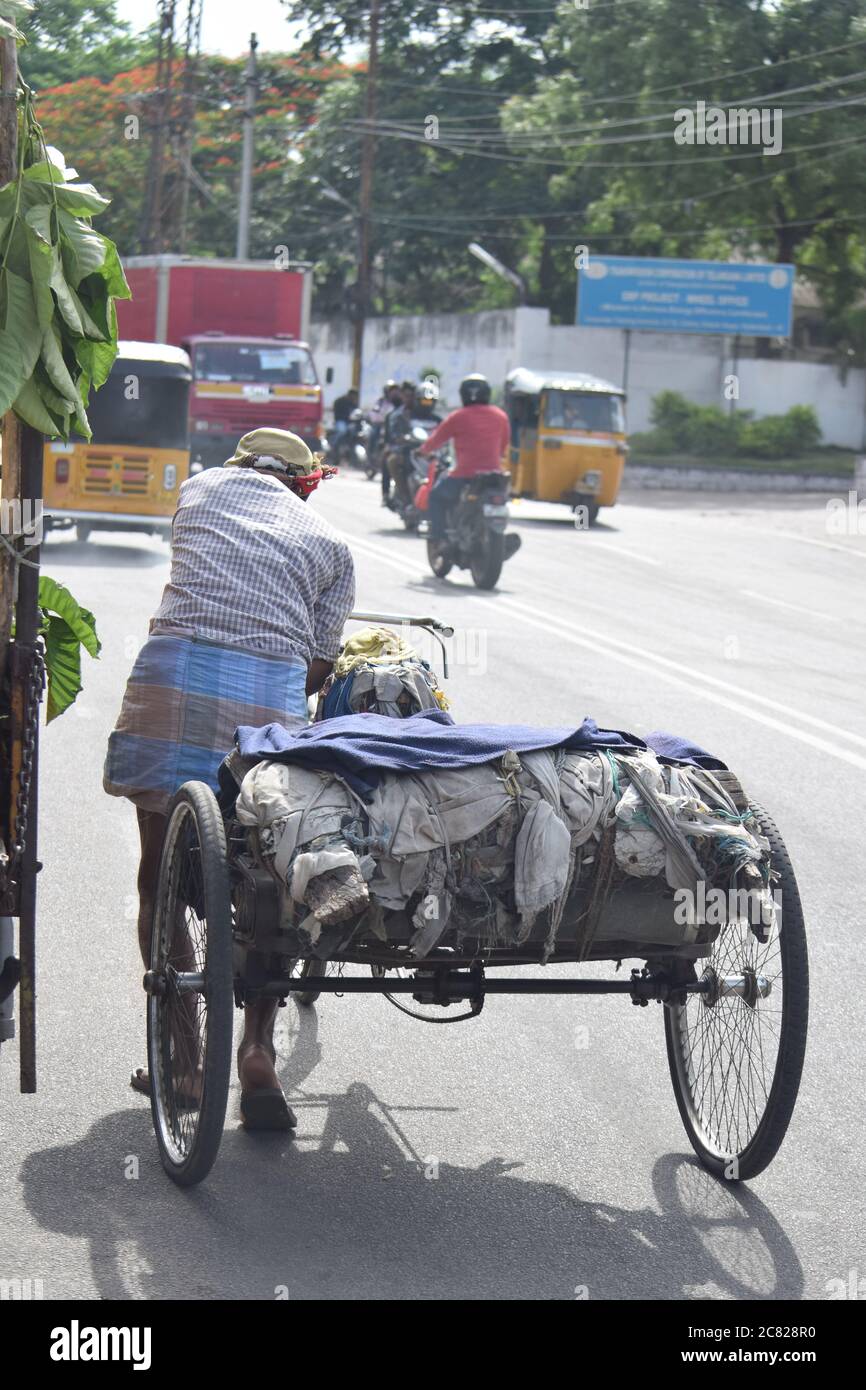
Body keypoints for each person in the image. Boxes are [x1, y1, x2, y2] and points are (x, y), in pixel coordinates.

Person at [104, 428, 355, 1132]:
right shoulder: (331, 544)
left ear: (242, 467)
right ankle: (256, 1054)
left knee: (158, 876)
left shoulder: (198, 490)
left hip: (172, 685)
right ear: (307, 485)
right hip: (261, 714)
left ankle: (182, 1060)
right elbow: (315, 672)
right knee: (269, 883)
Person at [418, 373, 511, 541]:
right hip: (494, 477)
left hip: (464, 475)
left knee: (436, 496)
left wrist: (422, 451)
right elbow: (503, 448)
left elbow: (435, 440)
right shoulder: (501, 416)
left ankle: (438, 537)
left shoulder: (458, 416)